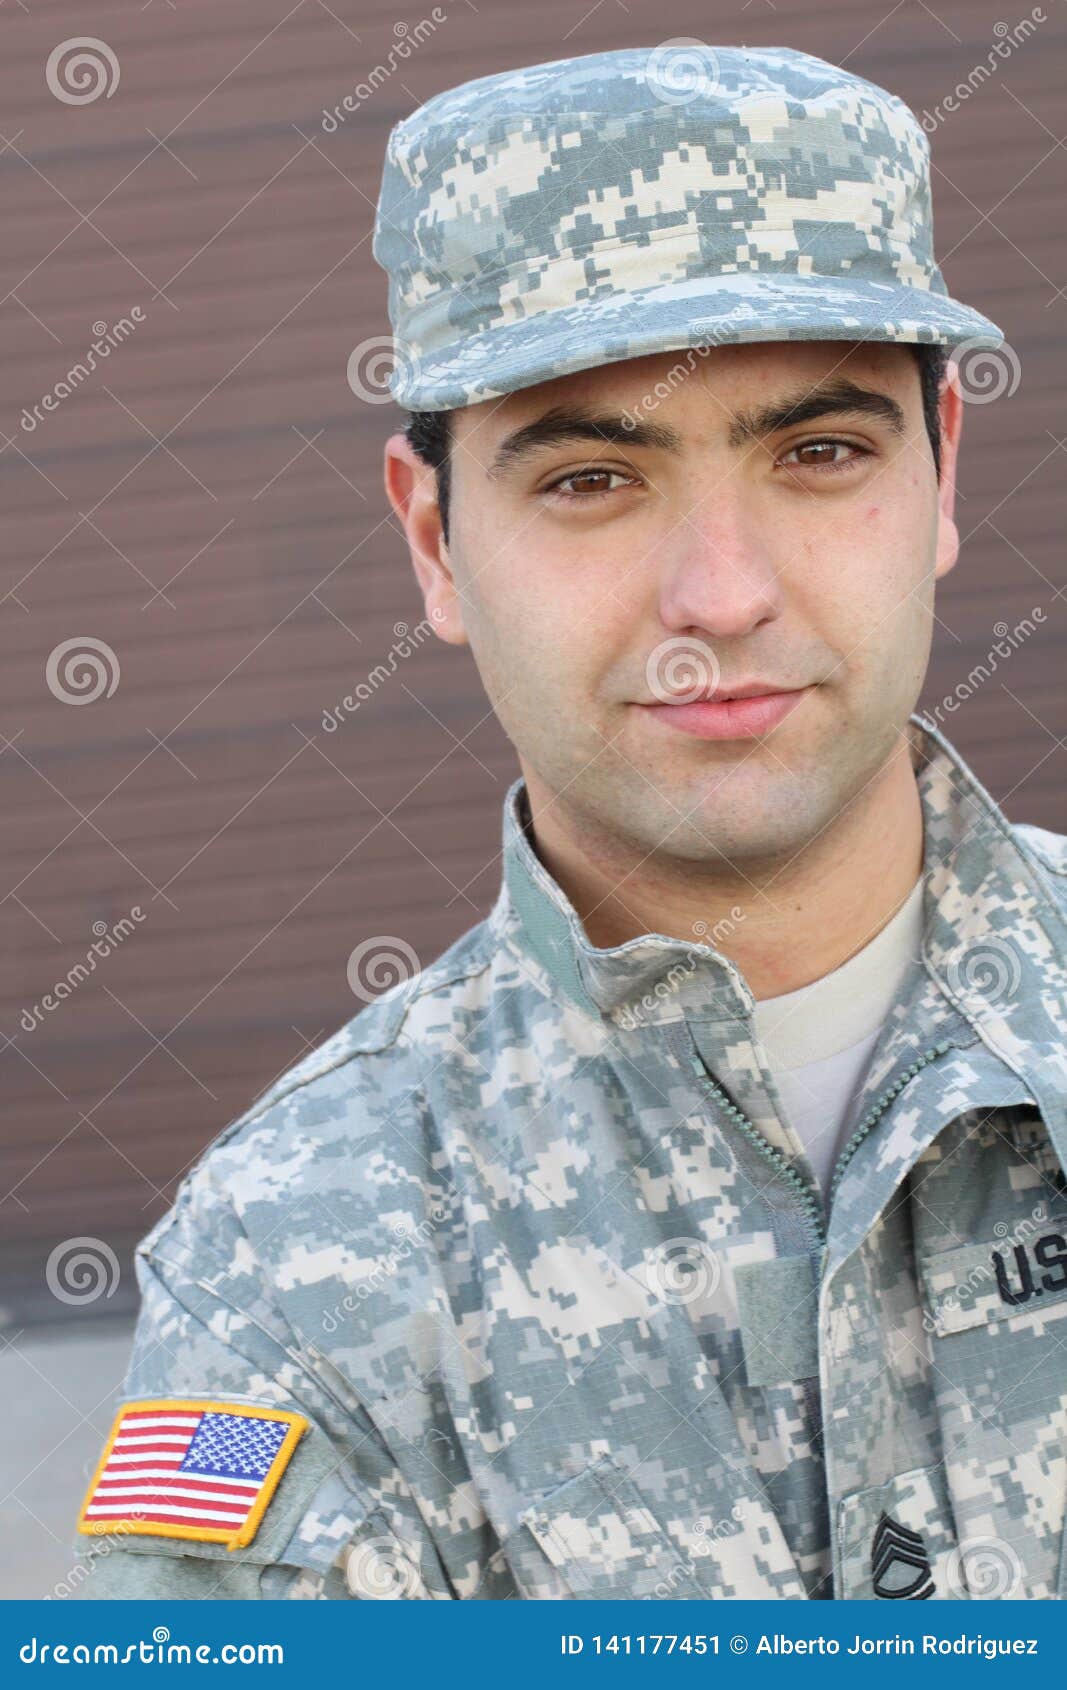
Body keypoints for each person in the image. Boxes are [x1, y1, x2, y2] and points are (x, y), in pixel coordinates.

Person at [75, 44, 1066, 1603]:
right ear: (435, 541)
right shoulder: (292, 1272)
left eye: (820, 455)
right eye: (596, 478)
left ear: (943, 470)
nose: (723, 595)